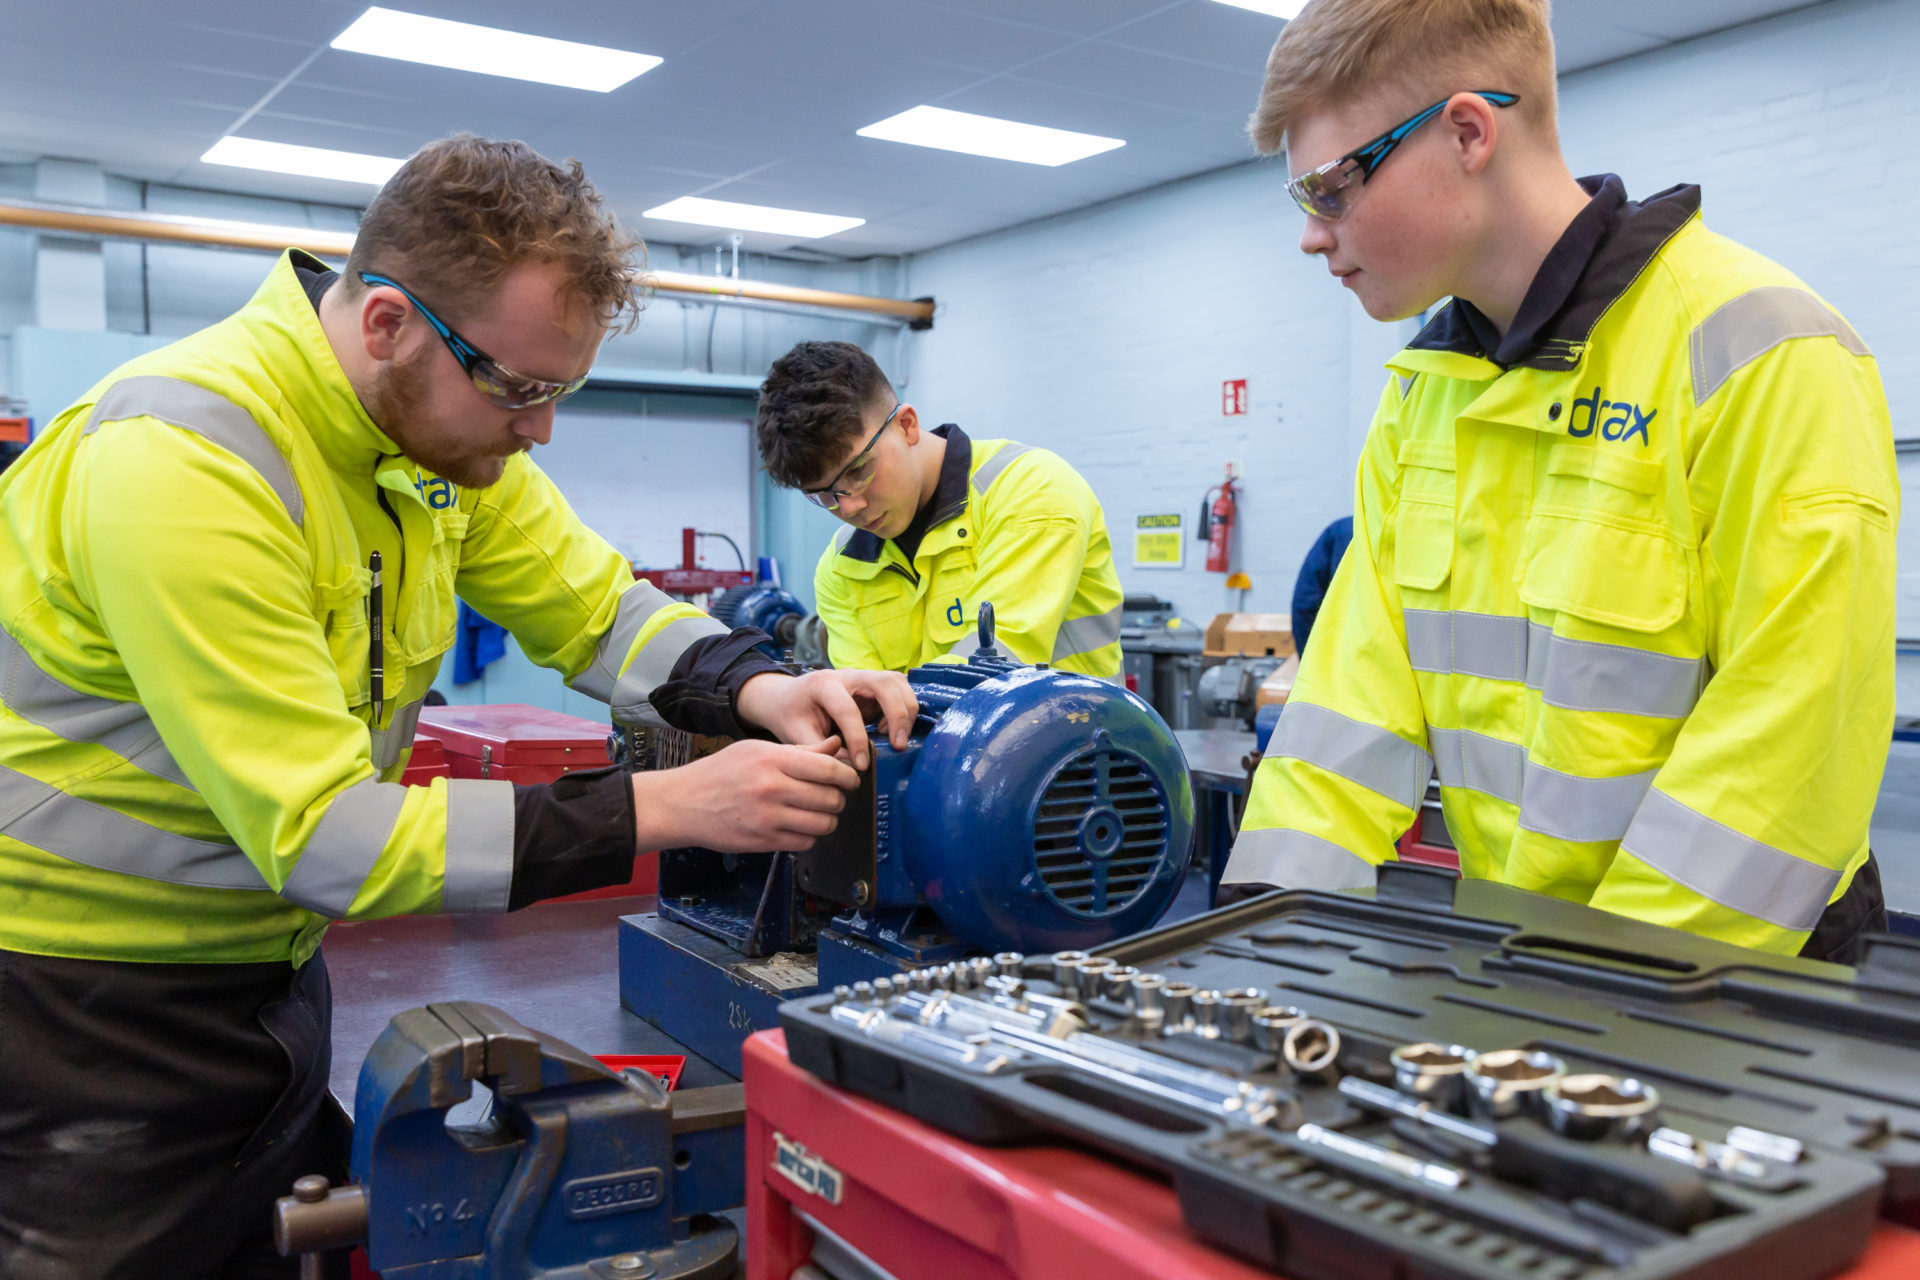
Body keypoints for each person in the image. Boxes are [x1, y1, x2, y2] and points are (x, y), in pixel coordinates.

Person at [0, 135, 915, 1279]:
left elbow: (595, 609)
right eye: (521, 388)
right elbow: (331, 839)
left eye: (559, 390)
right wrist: (671, 804)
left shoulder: (430, 434)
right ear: (385, 324)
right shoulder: (185, 464)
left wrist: (767, 683)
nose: (539, 429)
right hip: (78, 1009)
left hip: (271, 974)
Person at [1224, 0, 1894, 964]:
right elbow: (1350, 701)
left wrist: (1604, 986)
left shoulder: (1764, 352)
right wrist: (1258, 944)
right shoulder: (1425, 398)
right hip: (1526, 953)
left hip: (1741, 963)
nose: (1312, 235)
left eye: (1329, 188)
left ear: (1466, 132)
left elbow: (1791, 741)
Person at [755, 341, 1125, 678]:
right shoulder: (841, 567)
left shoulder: (1031, 490)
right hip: (939, 753)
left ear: (906, 425)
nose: (851, 506)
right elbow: (869, 706)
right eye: (824, 496)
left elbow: (994, 673)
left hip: (1084, 744)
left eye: (859, 471)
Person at [1291, 515, 1353, 656]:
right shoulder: (1410, 532)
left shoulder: (1341, 531)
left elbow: (1304, 602)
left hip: (1342, 657)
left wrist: (1308, 661)